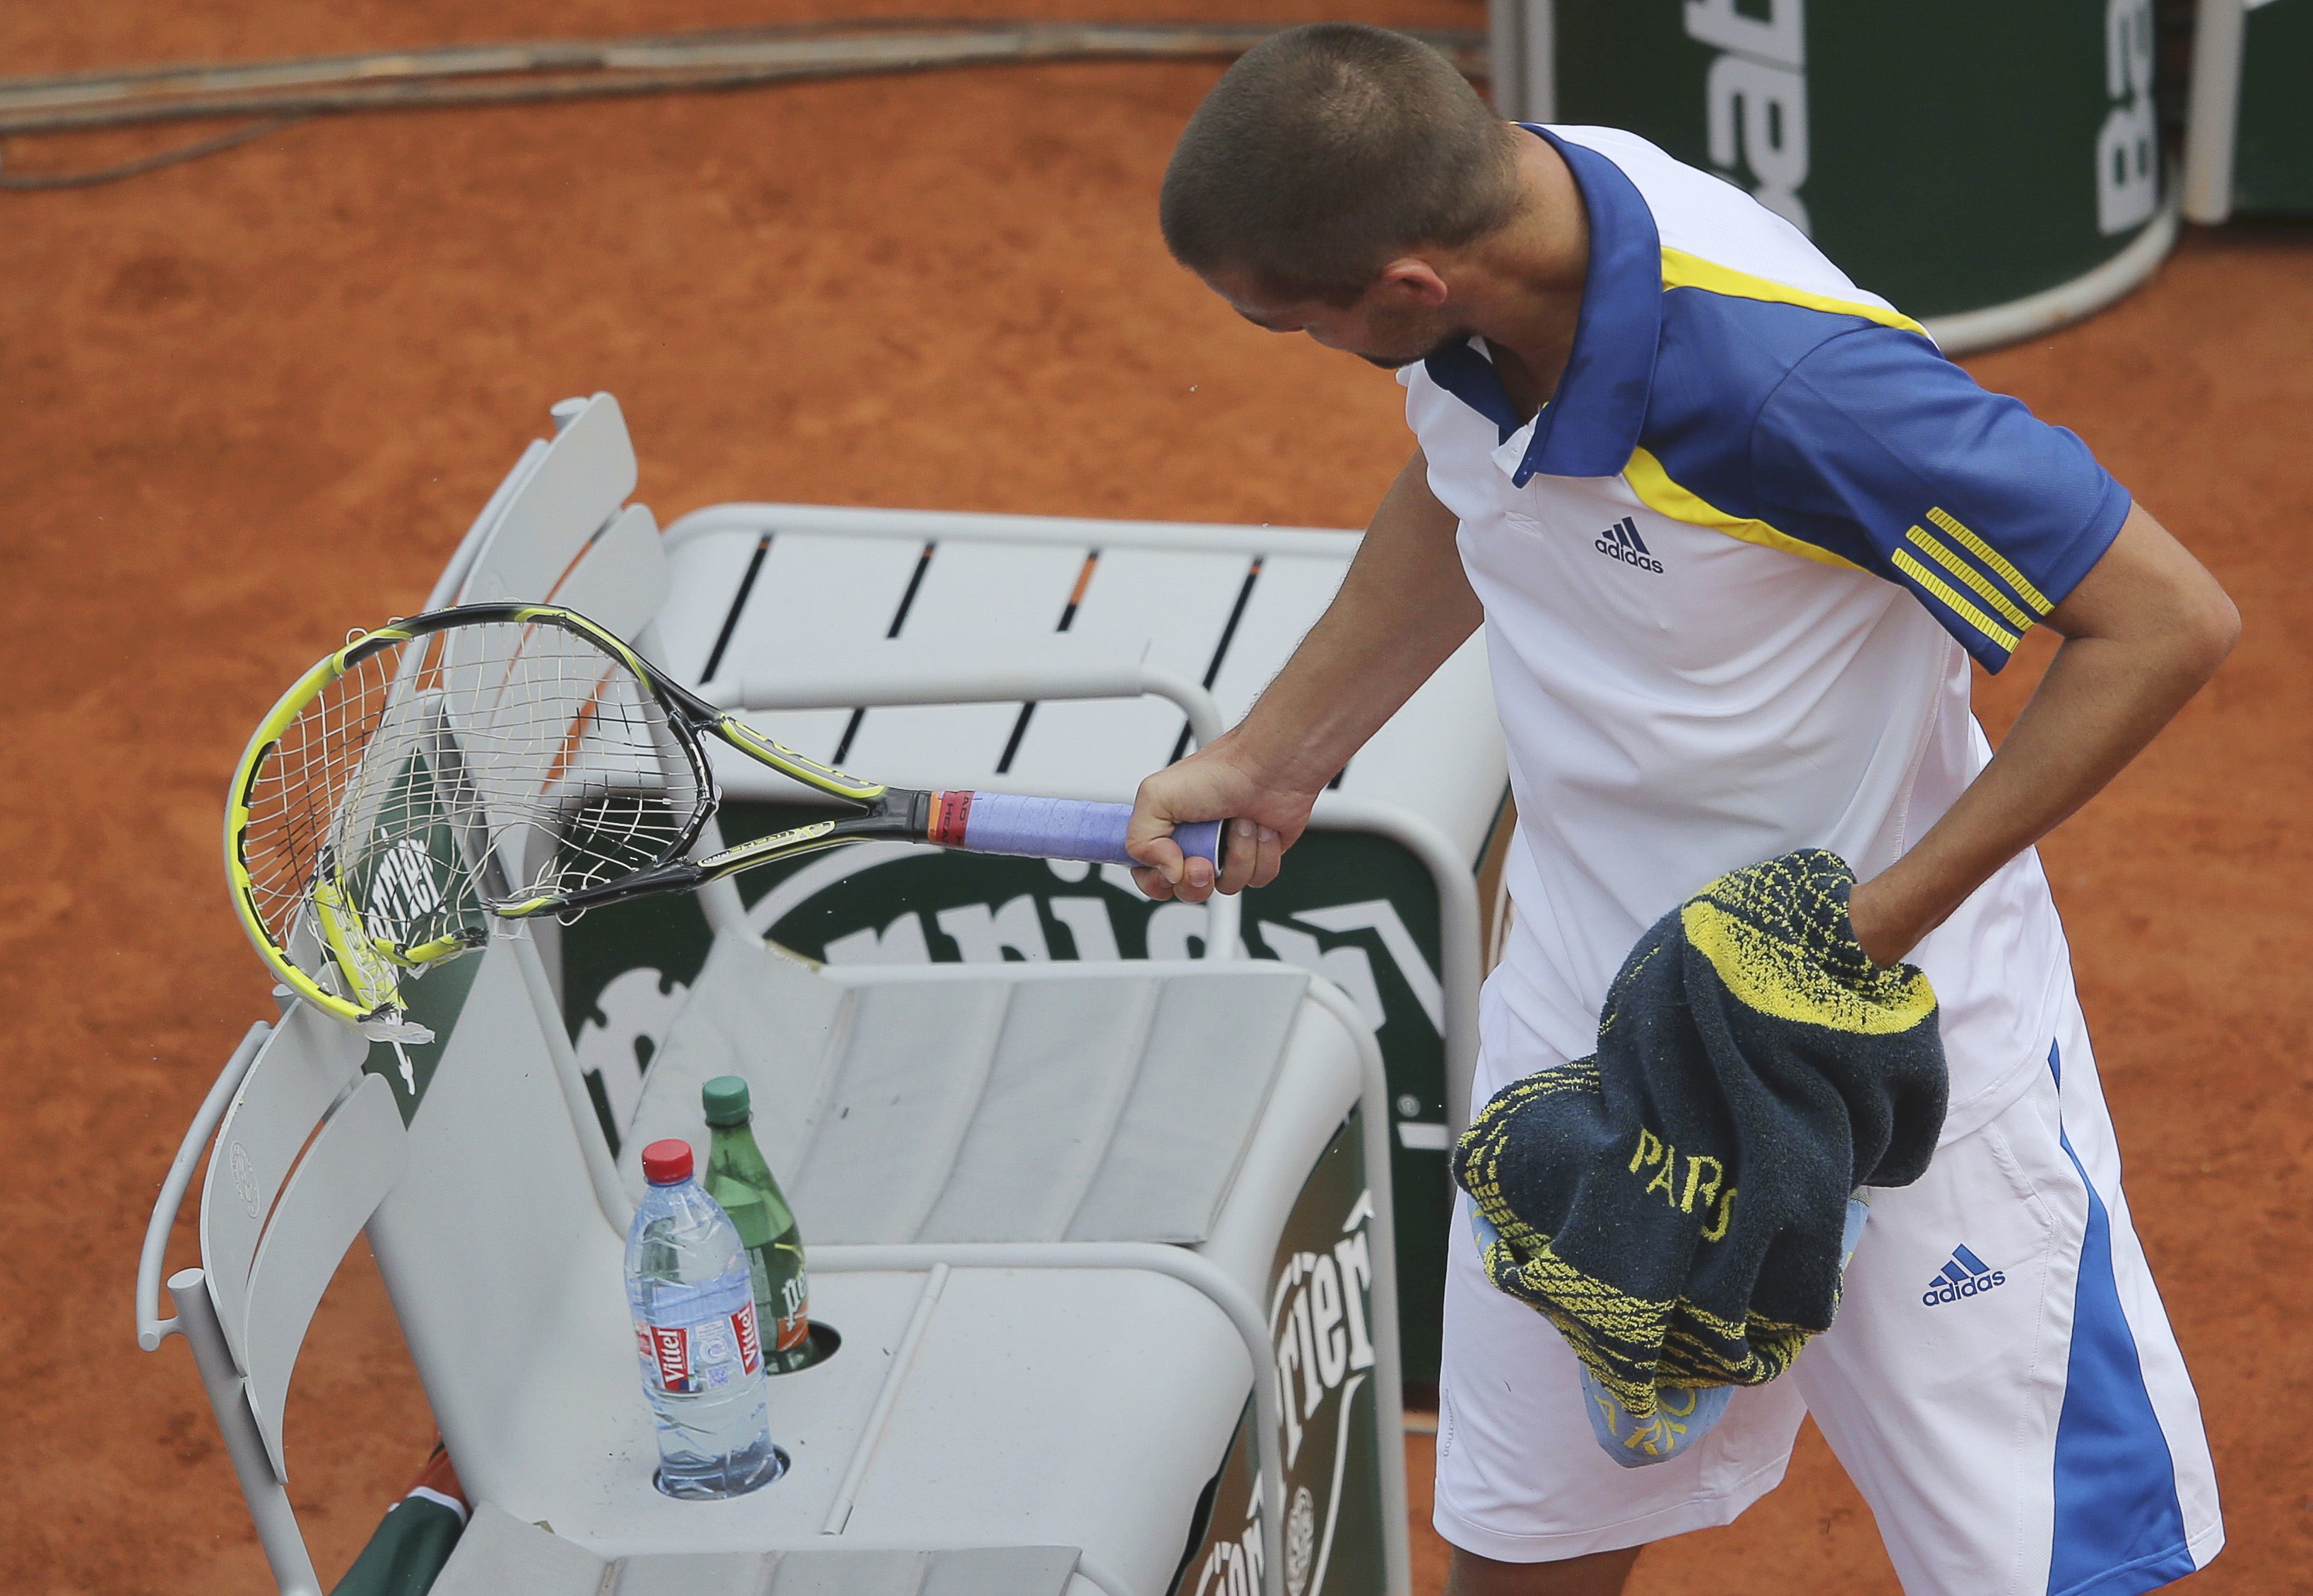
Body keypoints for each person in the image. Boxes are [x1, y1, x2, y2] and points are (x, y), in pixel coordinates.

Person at [1125, 23, 2231, 1596]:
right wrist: (1281, 749)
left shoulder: (1793, 389)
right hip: (1586, 1036)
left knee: (2048, 1568)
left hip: (1885, 1062)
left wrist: (1848, 939)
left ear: (1403, 289)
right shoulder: (1487, 266)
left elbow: (2165, 618)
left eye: (1292, 320)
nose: (1294, 341)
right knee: (1526, 1545)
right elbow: (1473, 483)